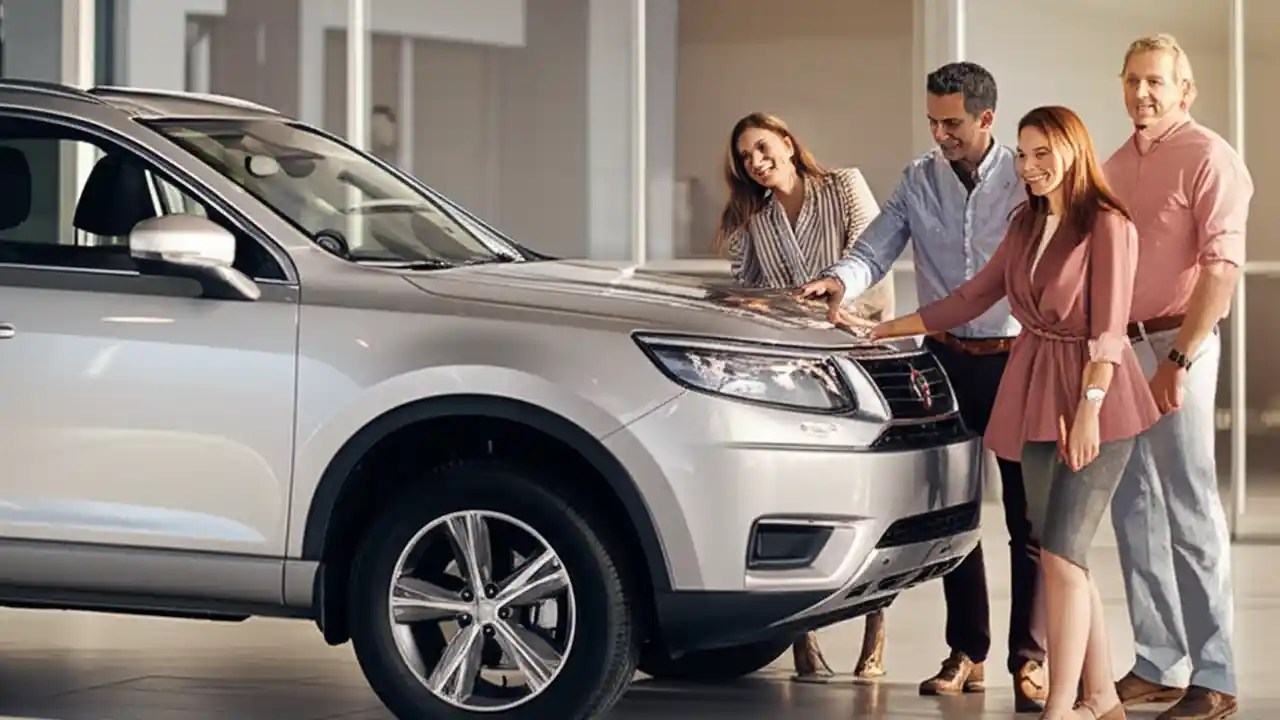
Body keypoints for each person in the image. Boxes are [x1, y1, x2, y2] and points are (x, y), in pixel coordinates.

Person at [868, 104, 1160, 720]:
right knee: (1061, 552)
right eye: (1023, 155)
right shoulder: (1024, 223)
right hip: (1034, 393)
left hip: (1095, 397)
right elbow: (973, 296)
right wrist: (886, 330)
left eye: (1043, 153)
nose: (1029, 167)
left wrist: (1090, 408)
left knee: (1060, 553)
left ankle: (1060, 708)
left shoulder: (1107, 225)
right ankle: (1102, 702)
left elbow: (1108, 332)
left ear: (1073, 149)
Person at [797, 61, 1047, 711]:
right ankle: (969, 651)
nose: (941, 134)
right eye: (933, 121)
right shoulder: (918, 178)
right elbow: (873, 249)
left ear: (986, 119)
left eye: (953, 123)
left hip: (1015, 359)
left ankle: (1032, 659)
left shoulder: (1023, 180)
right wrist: (839, 280)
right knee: (955, 518)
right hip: (945, 361)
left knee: (1028, 520)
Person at [713, 111, 894, 682]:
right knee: (800, 500)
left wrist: (824, 313)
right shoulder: (752, 221)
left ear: (788, 143)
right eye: (745, 157)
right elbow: (743, 295)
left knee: (872, 497)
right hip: (796, 374)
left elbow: (875, 266)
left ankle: (875, 633)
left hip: (861, 355)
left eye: (763, 147)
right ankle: (803, 642)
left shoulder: (843, 187)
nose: (756, 161)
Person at [1103, 34, 1252, 720]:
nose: (1142, 93)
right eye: (1133, 80)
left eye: (1156, 81)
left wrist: (1179, 360)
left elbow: (1221, 270)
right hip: (1120, 351)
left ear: (1184, 90)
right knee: (1132, 507)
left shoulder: (1211, 157)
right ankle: (1159, 661)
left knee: (1190, 509)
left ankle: (1215, 675)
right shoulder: (1113, 164)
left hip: (1176, 345)